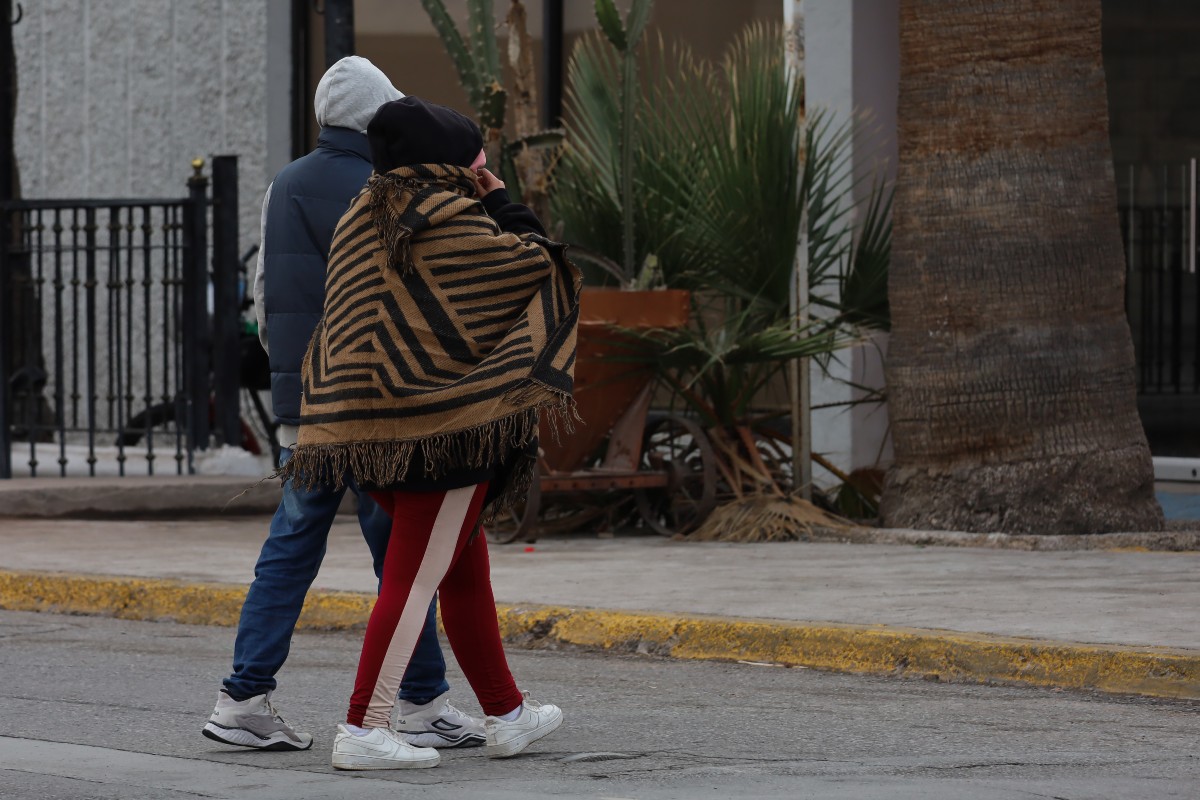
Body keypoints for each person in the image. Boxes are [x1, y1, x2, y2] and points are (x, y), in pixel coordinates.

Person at [280, 96, 580, 770]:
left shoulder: (364, 214)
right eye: (476, 162)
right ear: (450, 167)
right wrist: (503, 200)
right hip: (436, 427)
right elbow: (537, 265)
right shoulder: (445, 216)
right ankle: (364, 726)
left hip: (363, 428)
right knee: (413, 581)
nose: (483, 172)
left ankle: (505, 714)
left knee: (462, 573)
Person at [203, 58, 483, 753]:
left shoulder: (285, 183)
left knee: (292, 547)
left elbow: (269, 294)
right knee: (402, 555)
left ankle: (243, 698)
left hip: (306, 405)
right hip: (377, 407)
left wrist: (291, 383)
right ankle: (420, 704)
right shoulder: (389, 185)